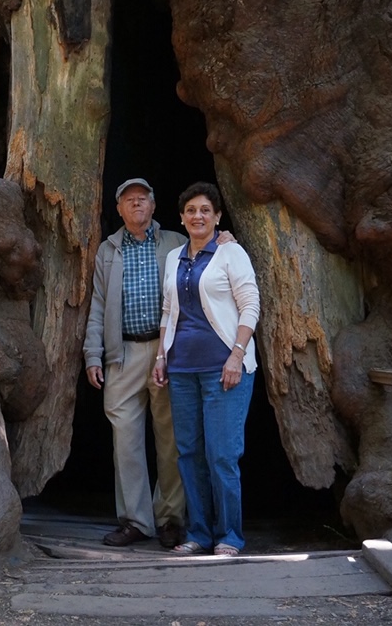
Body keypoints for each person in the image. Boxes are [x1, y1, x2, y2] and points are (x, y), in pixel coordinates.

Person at [152, 182, 260, 557]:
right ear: (181, 218)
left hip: (224, 369)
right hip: (181, 369)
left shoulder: (231, 253)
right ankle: (198, 533)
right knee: (189, 452)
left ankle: (229, 535)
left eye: (205, 210)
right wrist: (161, 356)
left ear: (217, 217)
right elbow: (169, 310)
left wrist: (236, 354)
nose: (198, 216)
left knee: (222, 454)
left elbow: (250, 306)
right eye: (191, 210)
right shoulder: (175, 257)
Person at [83, 178, 187, 548]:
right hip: (122, 354)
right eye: (129, 201)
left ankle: (170, 519)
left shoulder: (176, 242)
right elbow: (97, 305)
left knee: (170, 438)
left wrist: (226, 239)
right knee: (125, 441)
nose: (136, 205)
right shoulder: (108, 251)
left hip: (165, 352)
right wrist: (92, 354)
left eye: (142, 199)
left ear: (154, 206)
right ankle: (135, 521)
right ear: (120, 209)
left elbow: (207, 263)